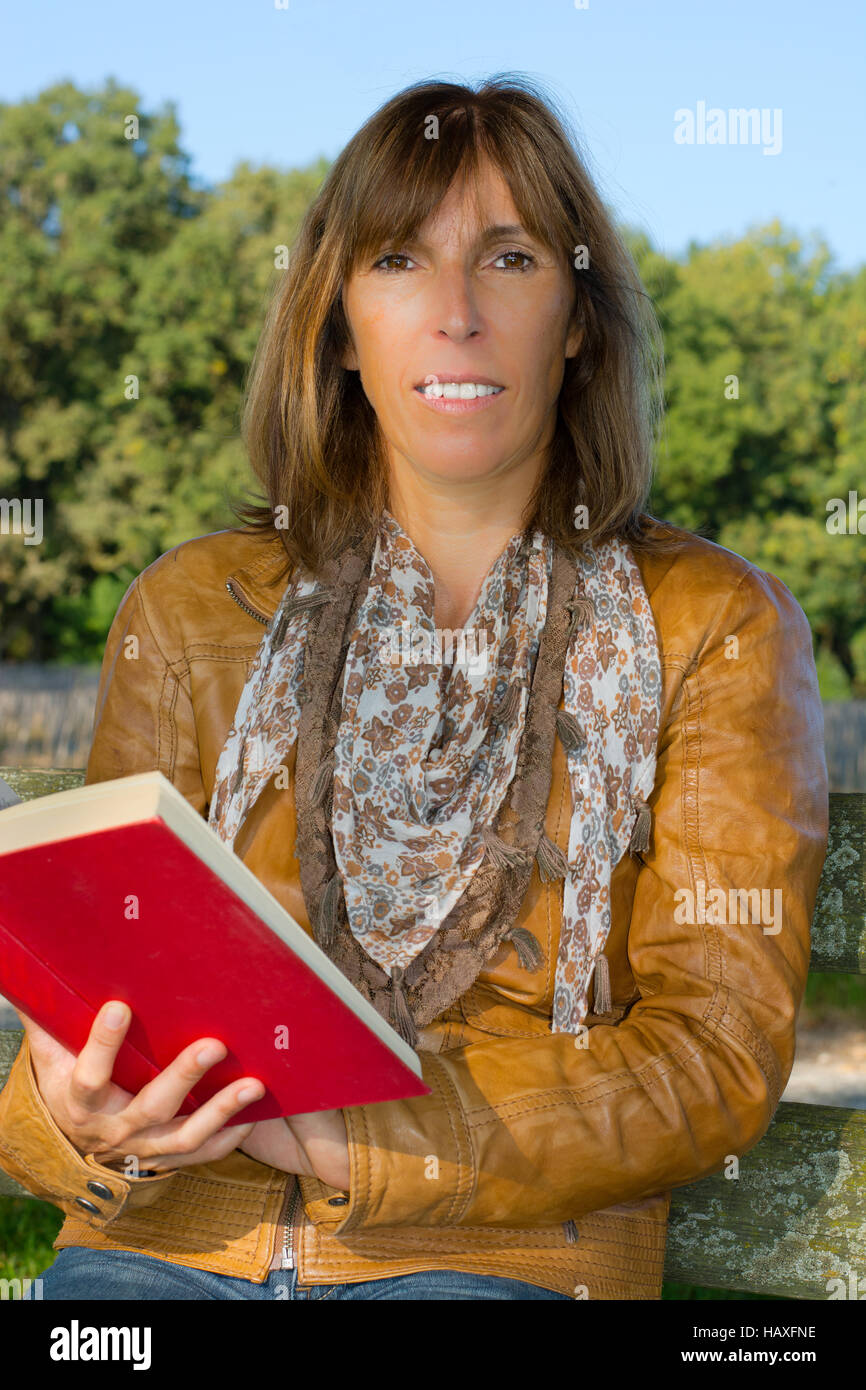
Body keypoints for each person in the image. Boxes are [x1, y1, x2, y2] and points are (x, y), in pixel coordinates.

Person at [1, 74, 828, 1302]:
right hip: (165, 1250)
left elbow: (709, 1052)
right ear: (337, 322)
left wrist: (365, 1139)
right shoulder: (190, 607)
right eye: (396, 260)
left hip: (490, 1264)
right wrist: (66, 1112)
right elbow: (94, 996)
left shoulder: (710, 622)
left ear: (577, 318)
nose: (453, 313)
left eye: (506, 258)